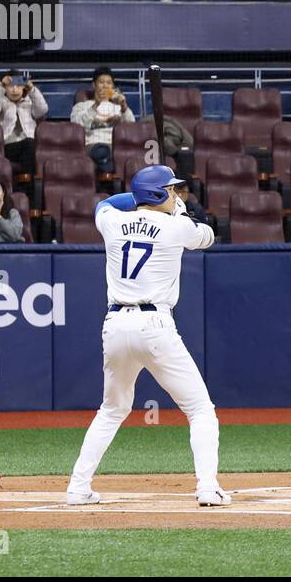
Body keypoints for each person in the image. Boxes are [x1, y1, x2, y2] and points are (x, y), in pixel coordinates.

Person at [67, 166, 227, 508]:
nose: (176, 193)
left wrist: (146, 197)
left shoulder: (112, 221)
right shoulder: (176, 226)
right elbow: (208, 236)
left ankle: (78, 488)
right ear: (157, 195)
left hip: (115, 325)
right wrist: (180, 210)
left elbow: (106, 203)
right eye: (170, 189)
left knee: (111, 409)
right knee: (200, 409)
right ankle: (207, 487)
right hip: (155, 326)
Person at [71, 67, 136, 174]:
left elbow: (131, 128)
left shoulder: (118, 107)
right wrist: (97, 105)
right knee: (102, 151)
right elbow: (77, 127)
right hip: (92, 146)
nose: (105, 86)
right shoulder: (81, 106)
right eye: (101, 82)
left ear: (113, 87)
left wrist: (124, 107)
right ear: (94, 85)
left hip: (116, 147)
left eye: (109, 83)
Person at [0, 69, 48, 175]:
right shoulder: (1, 102)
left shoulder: (29, 101)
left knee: (31, 146)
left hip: (29, 147)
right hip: (7, 146)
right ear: (6, 88)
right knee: (30, 145)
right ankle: (26, 186)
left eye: (18, 85)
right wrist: (0, 86)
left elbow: (42, 110)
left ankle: (25, 185)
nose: (14, 90)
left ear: (24, 87)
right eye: (10, 86)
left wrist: (32, 90)